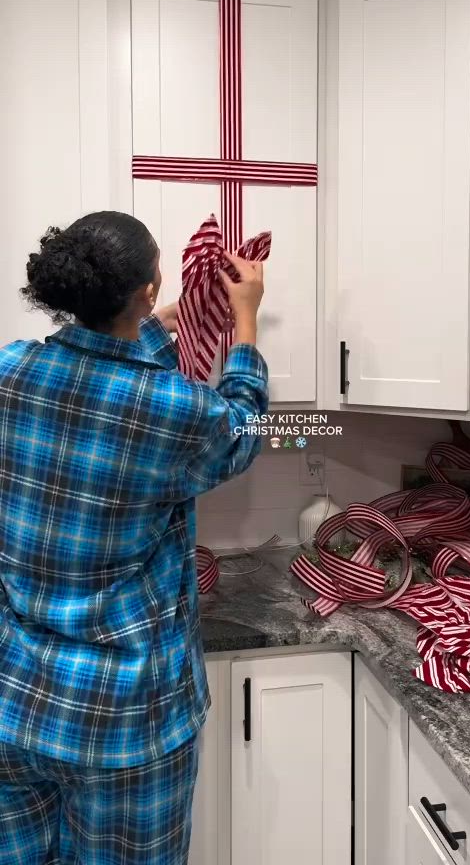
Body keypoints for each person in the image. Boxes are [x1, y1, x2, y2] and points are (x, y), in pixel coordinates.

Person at [0, 211, 268, 864]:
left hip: (16, 705)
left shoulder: (11, 368)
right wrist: (246, 322)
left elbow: (94, 366)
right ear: (147, 290)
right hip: (124, 724)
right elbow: (241, 423)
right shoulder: (171, 409)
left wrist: (157, 323)